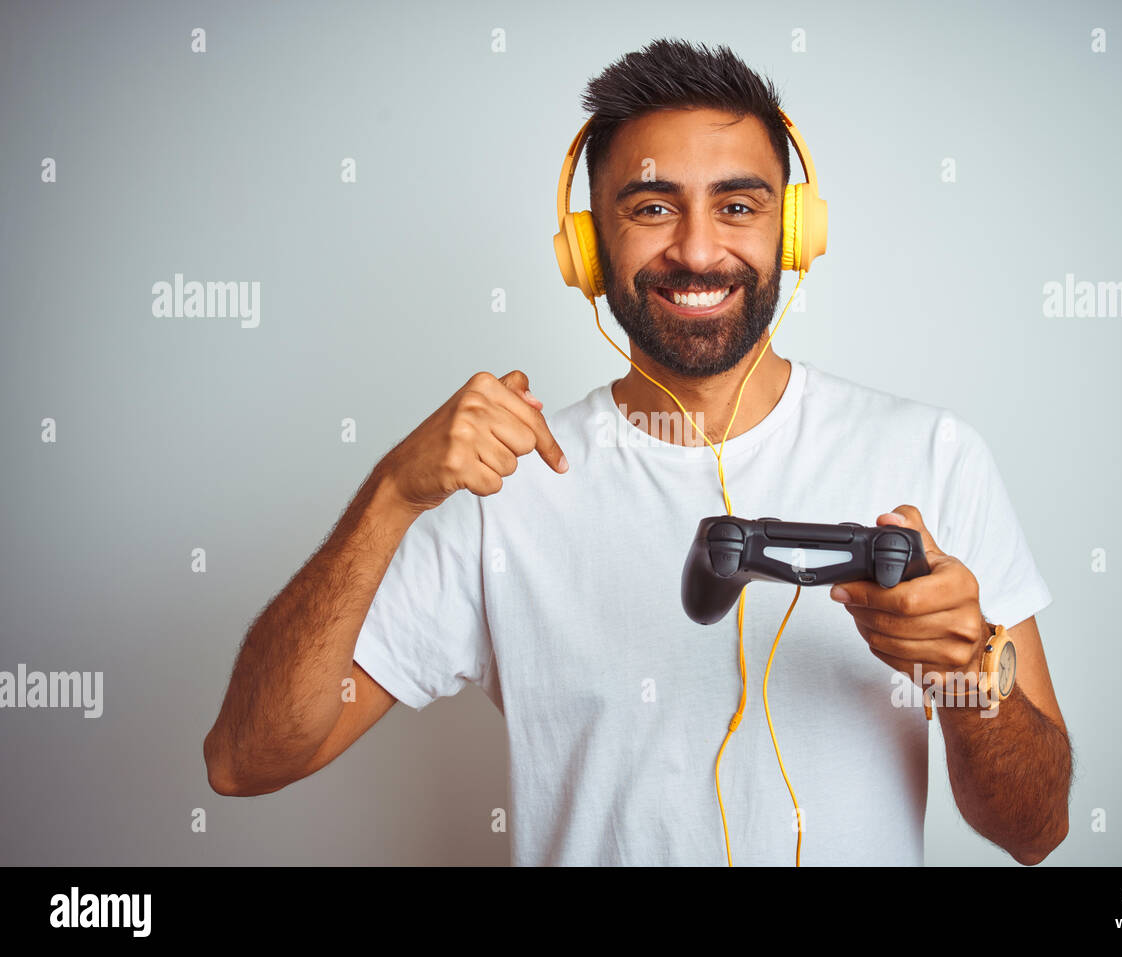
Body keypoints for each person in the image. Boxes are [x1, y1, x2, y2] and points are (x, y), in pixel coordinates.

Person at [203, 38, 1072, 867]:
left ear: (796, 230)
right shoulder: (503, 489)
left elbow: (1036, 830)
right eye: (653, 207)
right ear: (587, 248)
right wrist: (391, 492)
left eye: (738, 205)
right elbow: (247, 759)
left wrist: (966, 679)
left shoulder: (933, 453)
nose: (697, 250)